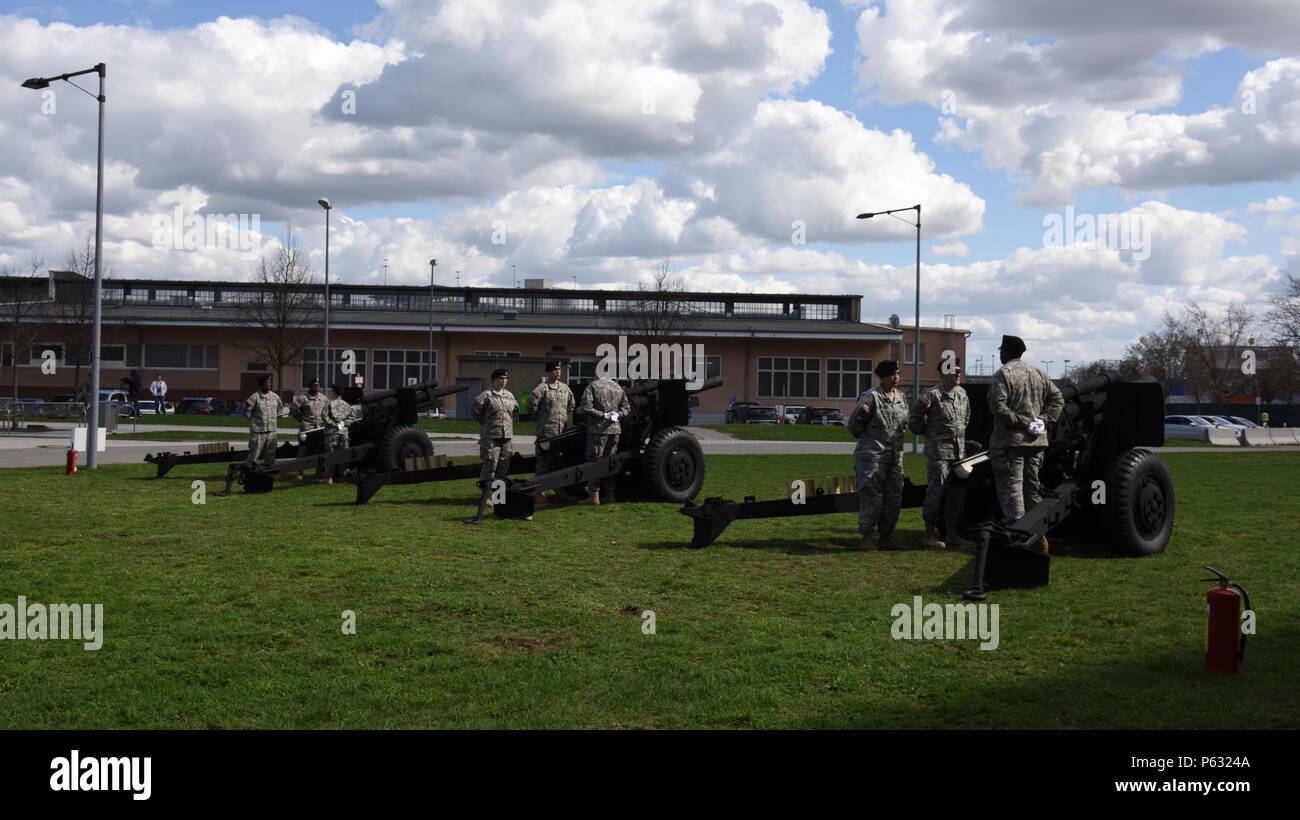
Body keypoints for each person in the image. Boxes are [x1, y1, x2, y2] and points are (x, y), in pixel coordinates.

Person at [989, 334, 1065, 552]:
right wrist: (1042, 421)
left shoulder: (1003, 375)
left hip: (1010, 443)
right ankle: (1040, 537)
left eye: (1001, 350)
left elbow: (998, 407)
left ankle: (1020, 540)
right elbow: (1058, 399)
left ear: (1005, 352)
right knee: (1031, 491)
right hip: (1036, 442)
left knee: (1012, 490)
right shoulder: (1038, 373)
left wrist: (1024, 422)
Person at [847, 360, 910, 550]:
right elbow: (853, 427)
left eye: (897, 373)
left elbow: (904, 425)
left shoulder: (901, 397)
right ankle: (867, 537)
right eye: (892, 374)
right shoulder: (870, 397)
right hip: (872, 457)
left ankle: (886, 536)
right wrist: (863, 415)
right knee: (871, 498)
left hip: (894, 458)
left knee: (893, 498)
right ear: (882, 376)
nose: (896, 377)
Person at [909, 360, 971, 549]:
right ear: (943, 374)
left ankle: (952, 534)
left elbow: (966, 417)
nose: (958, 375)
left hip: (958, 453)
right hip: (939, 453)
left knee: (956, 494)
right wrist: (928, 432)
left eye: (959, 371)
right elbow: (913, 419)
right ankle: (929, 534)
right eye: (954, 372)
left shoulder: (962, 393)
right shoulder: (932, 395)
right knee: (936, 492)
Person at [467, 368, 519, 523]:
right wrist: (487, 425)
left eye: (505, 378)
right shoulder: (485, 396)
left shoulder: (510, 396)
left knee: (503, 468)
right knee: (490, 466)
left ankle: (499, 497)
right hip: (491, 437)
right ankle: (486, 498)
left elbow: (515, 412)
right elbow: (475, 412)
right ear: (494, 380)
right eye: (500, 378)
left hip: (506, 437)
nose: (503, 381)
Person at [577, 373, 631, 505]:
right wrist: (617, 414)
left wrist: (602, 414)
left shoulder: (593, 386)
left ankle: (593, 496)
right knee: (610, 462)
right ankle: (610, 494)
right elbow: (627, 409)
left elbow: (586, 407)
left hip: (598, 430)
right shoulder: (618, 387)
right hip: (615, 430)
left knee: (594, 462)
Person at [527, 361, 575, 491]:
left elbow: (571, 405)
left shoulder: (565, 388)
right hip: (546, 433)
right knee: (543, 463)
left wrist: (564, 417)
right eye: (554, 369)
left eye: (559, 369)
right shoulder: (542, 388)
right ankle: (539, 492)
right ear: (548, 372)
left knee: (559, 463)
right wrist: (541, 418)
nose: (558, 371)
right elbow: (531, 406)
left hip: (561, 433)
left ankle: (559, 491)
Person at [291, 378, 330, 480]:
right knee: (303, 450)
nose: (317, 387)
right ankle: (300, 472)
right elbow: (293, 411)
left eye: (318, 385)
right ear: (310, 386)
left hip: (319, 429)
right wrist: (302, 420)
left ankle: (319, 473)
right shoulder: (302, 398)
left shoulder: (323, 398)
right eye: (315, 385)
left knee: (320, 450)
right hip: (307, 429)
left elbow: (328, 411)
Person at [243, 375, 285, 469]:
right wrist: (254, 420)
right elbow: (246, 412)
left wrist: (274, 419)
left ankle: (269, 471)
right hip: (258, 431)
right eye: (265, 383)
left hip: (271, 431)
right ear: (261, 384)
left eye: (269, 383)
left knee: (271, 454)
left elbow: (280, 409)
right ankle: (248, 471)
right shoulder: (254, 397)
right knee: (254, 453)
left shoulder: (275, 397)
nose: (267, 384)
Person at [322, 384, 357, 484]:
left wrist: (334, 424)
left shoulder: (329, 404)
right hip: (344, 433)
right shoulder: (347, 405)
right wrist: (344, 423)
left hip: (332, 433)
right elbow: (352, 418)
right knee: (344, 455)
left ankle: (328, 478)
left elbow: (324, 417)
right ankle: (345, 477)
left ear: (334, 392)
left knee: (330, 455)